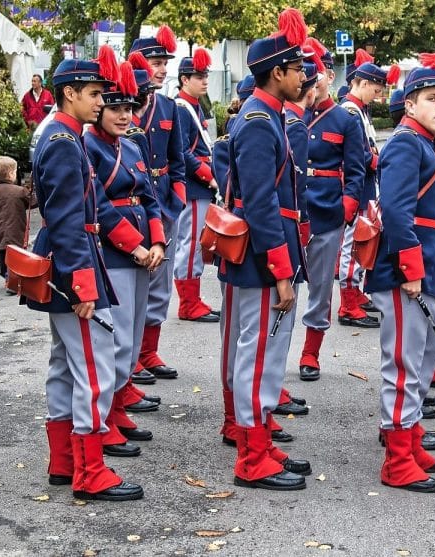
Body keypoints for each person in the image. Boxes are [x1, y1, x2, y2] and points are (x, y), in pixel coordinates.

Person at [28, 45, 143, 501]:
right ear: (69, 92)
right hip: (74, 265)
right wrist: (83, 281)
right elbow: (67, 218)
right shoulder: (61, 140)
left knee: (65, 364)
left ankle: (63, 461)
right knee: (94, 369)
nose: (101, 102)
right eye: (94, 94)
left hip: (71, 263)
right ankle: (89, 471)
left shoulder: (65, 134)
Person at [366, 53, 435, 493]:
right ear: (409, 105)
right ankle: (397, 459)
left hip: (428, 264)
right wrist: (410, 269)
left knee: (424, 356)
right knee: (404, 365)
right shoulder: (408, 144)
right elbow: (395, 210)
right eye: (431, 98)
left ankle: (408, 440)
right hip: (407, 269)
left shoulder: (428, 142)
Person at [220, 7, 312, 491]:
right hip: (261, 259)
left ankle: (259, 439)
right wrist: (280, 269)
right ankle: (252, 458)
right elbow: (259, 202)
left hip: (267, 255)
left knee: (265, 355)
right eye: (297, 68)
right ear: (277, 72)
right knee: (259, 357)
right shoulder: (258, 120)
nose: (304, 75)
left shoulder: (265, 114)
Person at [84, 61, 166, 458]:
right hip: (115, 255)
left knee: (131, 341)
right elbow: (98, 206)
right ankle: (107, 418)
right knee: (114, 342)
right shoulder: (88, 145)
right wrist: (136, 245)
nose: (123, 115)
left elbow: (150, 198)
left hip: (142, 254)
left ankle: (116, 409)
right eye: (114, 107)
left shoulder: (131, 145)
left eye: (129, 108)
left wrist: (159, 243)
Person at [295, 38, 365, 382]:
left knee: (321, 287)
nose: (313, 79)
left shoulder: (344, 119)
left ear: (328, 76)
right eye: (307, 72)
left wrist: (345, 210)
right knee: (283, 287)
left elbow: (356, 170)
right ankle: (276, 349)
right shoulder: (289, 113)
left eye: (318, 72)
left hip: (326, 212)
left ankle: (311, 352)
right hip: (293, 212)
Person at [127, 26, 188, 385]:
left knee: (160, 280)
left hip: (164, 199)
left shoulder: (169, 106)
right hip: (130, 203)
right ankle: (131, 355)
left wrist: (177, 198)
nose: (163, 69)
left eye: (165, 62)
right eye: (156, 61)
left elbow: (177, 157)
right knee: (134, 279)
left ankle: (149, 351)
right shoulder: (118, 103)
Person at [337, 60, 389, 329]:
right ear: (364, 83)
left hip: (364, 185)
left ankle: (354, 292)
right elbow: (358, 154)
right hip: (356, 185)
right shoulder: (350, 110)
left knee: (359, 241)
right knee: (352, 244)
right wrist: (380, 161)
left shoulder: (359, 109)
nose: (377, 96)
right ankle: (347, 303)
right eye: (376, 90)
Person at [173, 48, 220, 323]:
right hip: (192, 184)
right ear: (184, 79)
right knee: (190, 244)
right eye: (198, 76)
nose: (204, 81)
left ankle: (194, 299)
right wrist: (208, 175)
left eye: (205, 75)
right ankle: (188, 303)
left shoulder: (194, 105)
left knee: (195, 243)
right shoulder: (181, 107)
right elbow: (183, 152)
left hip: (200, 184)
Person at [0, 156, 33, 293]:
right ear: (11, 174)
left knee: (3, 255)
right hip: (16, 229)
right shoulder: (19, 191)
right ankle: (12, 280)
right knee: (16, 255)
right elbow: (33, 201)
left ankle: (8, 276)